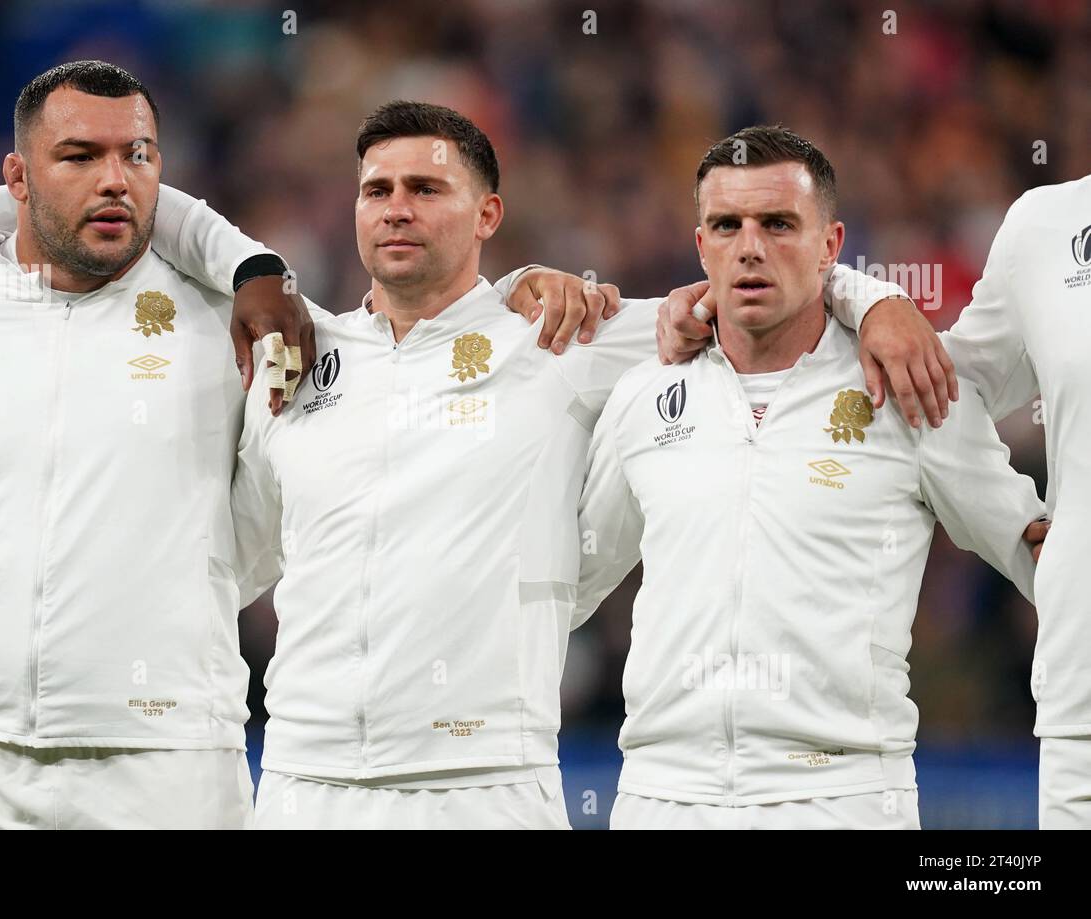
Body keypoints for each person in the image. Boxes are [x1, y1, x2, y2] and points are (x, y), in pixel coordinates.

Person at [0, 69, 606, 829]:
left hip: (173, 758)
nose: (114, 180)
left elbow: (399, 343)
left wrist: (507, 293)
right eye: (79, 156)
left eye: (139, 157)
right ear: (17, 177)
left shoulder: (243, 319)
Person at [230, 103, 901, 829]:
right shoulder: (292, 359)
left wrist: (878, 302)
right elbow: (233, 557)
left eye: (426, 189)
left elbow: (761, 294)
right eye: (377, 190)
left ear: (487, 214)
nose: (397, 209)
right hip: (303, 781)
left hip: (484, 784)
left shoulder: (561, 335)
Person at [576, 125, 1046, 829]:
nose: (751, 246)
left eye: (778, 224)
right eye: (727, 225)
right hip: (660, 796)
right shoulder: (644, 396)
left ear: (831, 245)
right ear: (701, 245)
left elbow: (1032, 545)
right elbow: (565, 583)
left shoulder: (907, 388)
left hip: (841, 797)